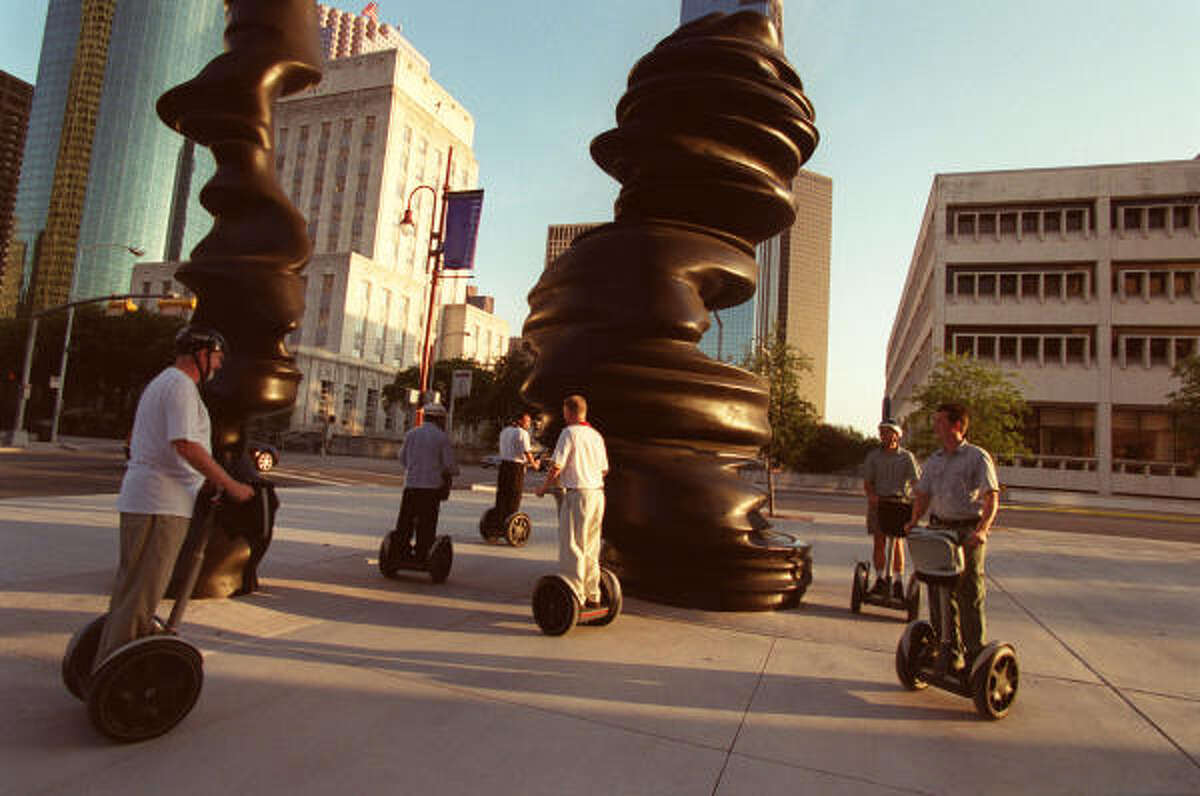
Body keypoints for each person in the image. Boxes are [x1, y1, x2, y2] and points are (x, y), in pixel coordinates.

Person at [93, 325, 255, 671]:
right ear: (201, 353)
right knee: (143, 591)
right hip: (160, 503)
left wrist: (205, 483)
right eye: (216, 356)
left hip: (152, 497)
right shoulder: (180, 387)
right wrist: (229, 483)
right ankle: (121, 673)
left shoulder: (162, 383)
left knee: (131, 588)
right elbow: (185, 444)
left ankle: (106, 658)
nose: (219, 364)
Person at [904, 402, 1000, 670]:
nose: (935, 427)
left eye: (940, 422)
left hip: (966, 531)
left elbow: (991, 497)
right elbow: (923, 494)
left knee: (968, 591)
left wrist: (982, 530)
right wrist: (914, 521)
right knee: (937, 589)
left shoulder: (977, 457)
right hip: (938, 529)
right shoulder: (934, 460)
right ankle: (947, 648)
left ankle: (974, 655)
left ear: (957, 425)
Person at [536, 395, 608, 607]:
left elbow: (557, 466)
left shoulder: (569, 433)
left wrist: (544, 487)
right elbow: (604, 469)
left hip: (578, 494)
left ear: (569, 411)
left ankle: (574, 594)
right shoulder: (596, 436)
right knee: (591, 546)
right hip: (597, 494)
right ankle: (592, 593)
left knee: (572, 545)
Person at [862, 419, 920, 598]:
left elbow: (916, 481)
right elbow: (868, 482)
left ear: (896, 435)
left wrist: (917, 498)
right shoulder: (874, 456)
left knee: (897, 543)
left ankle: (897, 581)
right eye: (881, 432)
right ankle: (880, 579)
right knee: (879, 541)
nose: (883, 436)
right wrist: (872, 497)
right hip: (879, 502)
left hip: (899, 503)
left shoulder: (907, 457)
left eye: (887, 432)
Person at [393, 403, 458, 561]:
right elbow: (449, 465)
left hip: (411, 485)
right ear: (439, 419)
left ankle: (400, 552)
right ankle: (422, 554)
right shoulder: (441, 437)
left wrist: (414, 467)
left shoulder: (411, 434)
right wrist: (453, 471)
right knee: (426, 524)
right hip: (431, 488)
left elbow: (402, 458)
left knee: (405, 522)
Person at [494, 412, 537, 521]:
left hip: (504, 466)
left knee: (502, 495)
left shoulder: (504, 431)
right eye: (527, 421)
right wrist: (534, 464)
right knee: (514, 495)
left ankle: (498, 520)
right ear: (520, 421)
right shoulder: (522, 433)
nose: (529, 424)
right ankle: (510, 519)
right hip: (516, 468)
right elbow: (527, 452)